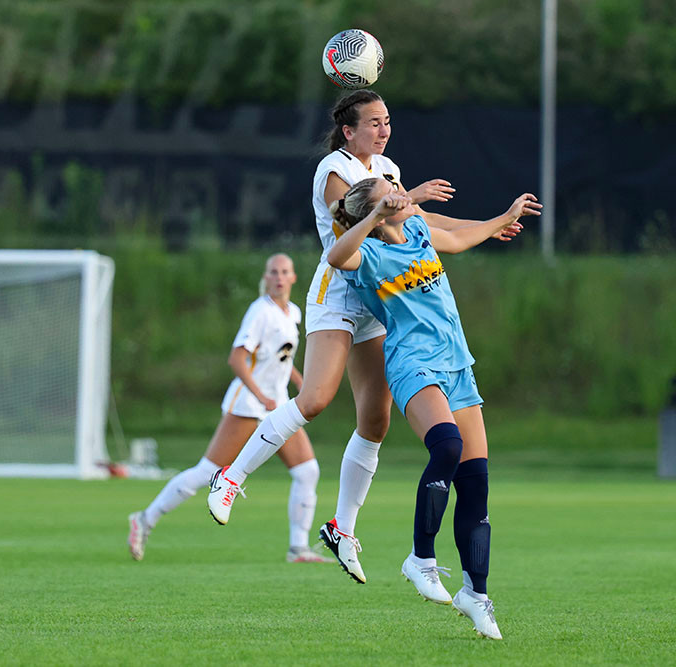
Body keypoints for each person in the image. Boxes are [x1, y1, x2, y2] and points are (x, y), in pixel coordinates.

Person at [205, 91, 520, 585]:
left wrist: (488, 223)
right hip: (340, 290)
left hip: (383, 291)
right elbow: (348, 219)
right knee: (314, 398)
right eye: (373, 122)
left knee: (375, 421)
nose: (383, 129)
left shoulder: (388, 166)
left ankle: (341, 528)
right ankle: (231, 477)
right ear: (348, 131)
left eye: (387, 121)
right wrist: (408, 196)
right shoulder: (334, 167)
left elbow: (416, 224)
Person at [325, 177, 541, 640]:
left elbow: (459, 237)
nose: (401, 191)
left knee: (476, 484)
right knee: (447, 446)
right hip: (412, 365)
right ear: (374, 207)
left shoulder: (420, 233)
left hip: (457, 366)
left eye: (398, 185)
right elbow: (335, 256)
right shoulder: (369, 255)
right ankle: (420, 557)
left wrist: (504, 218)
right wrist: (374, 216)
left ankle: (475, 595)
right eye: (390, 189)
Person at [127, 254, 329, 564]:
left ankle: (298, 548)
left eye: (284, 272)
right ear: (266, 276)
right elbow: (237, 359)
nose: (278, 277)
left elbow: (280, 359)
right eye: (273, 271)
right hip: (249, 406)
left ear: (293, 278)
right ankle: (145, 519)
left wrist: (302, 382)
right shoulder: (259, 311)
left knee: (307, 471)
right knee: (207, 473)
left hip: (278, 405)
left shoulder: (294, 313)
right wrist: (261, 395)